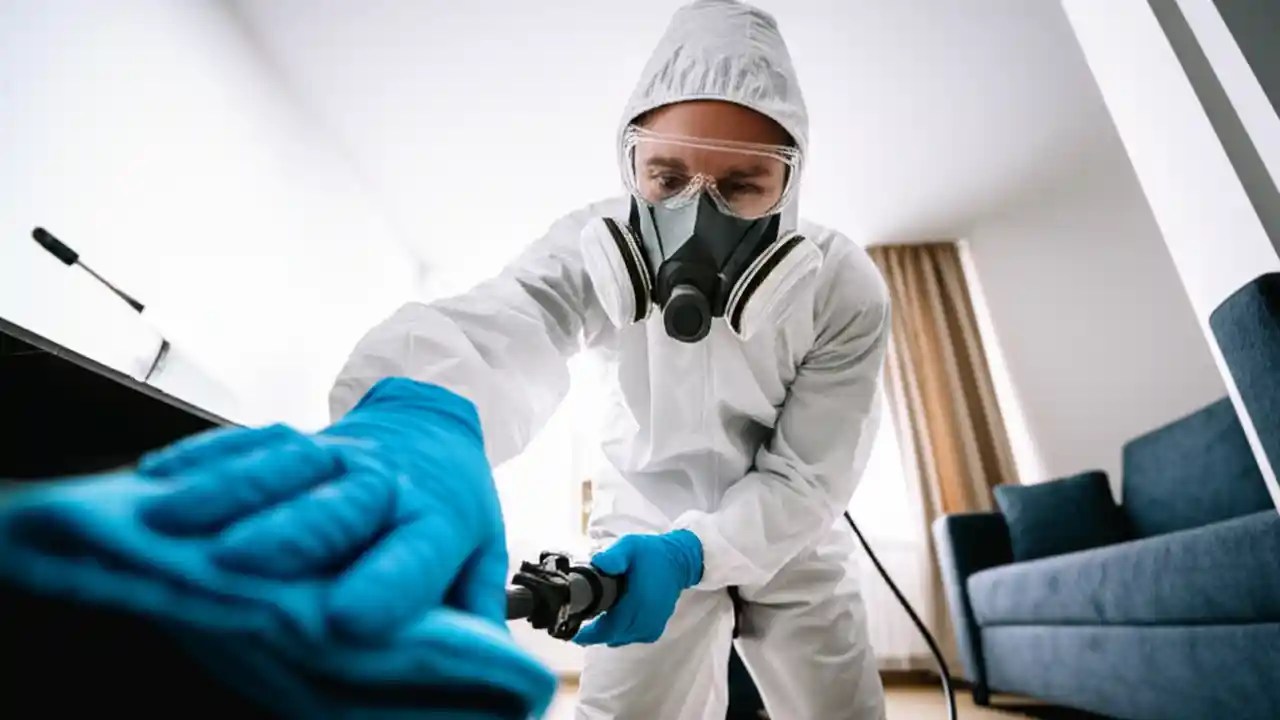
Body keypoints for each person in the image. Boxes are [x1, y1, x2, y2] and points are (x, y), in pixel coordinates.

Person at [136, 0, 891, 717]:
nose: (695, 218)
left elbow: (806, 475)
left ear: (789, 186)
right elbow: (513, 321)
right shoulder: (594, 242)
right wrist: (421, 421)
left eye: (741, 185)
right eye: (664, 178)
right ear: (631, 169)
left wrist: (700, 554)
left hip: (791, 532)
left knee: (839, 709)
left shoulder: (841, 284)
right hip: (643, 517)